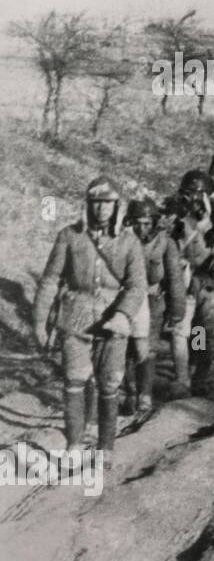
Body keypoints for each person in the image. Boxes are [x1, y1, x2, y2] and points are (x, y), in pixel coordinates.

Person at [32, 176, 146, 465]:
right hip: (75, 317)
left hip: (113, 321)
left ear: (116, 206)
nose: (101, 209)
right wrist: (39, 322)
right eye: (96, 203)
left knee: (109, 384)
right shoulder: (69, 236)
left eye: (107, 203)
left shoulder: (129, 242)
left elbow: (136, 285)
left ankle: (106, 447)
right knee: (73, 380)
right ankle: (73, 445)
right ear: (88, 204)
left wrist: (122, 315)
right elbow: (49, 281)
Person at [171, 168, 214, 394]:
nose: (193, 199)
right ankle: (183, 378)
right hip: (187, 280)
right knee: (181, 330)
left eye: (198, 194)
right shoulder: (177, 213)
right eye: (189, 193)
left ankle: (199, 374)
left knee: (205, 331)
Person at [122, 197, 186, 419]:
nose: (142, 228)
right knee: (128, 348)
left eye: (147, 223)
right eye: (137, 223)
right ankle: (131, 391)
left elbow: (175, 278)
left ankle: (190, 377)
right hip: (130, 299)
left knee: (196, 336)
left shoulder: (166, 243)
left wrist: (177, 309)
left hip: (162, 299)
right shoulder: (125, 240)